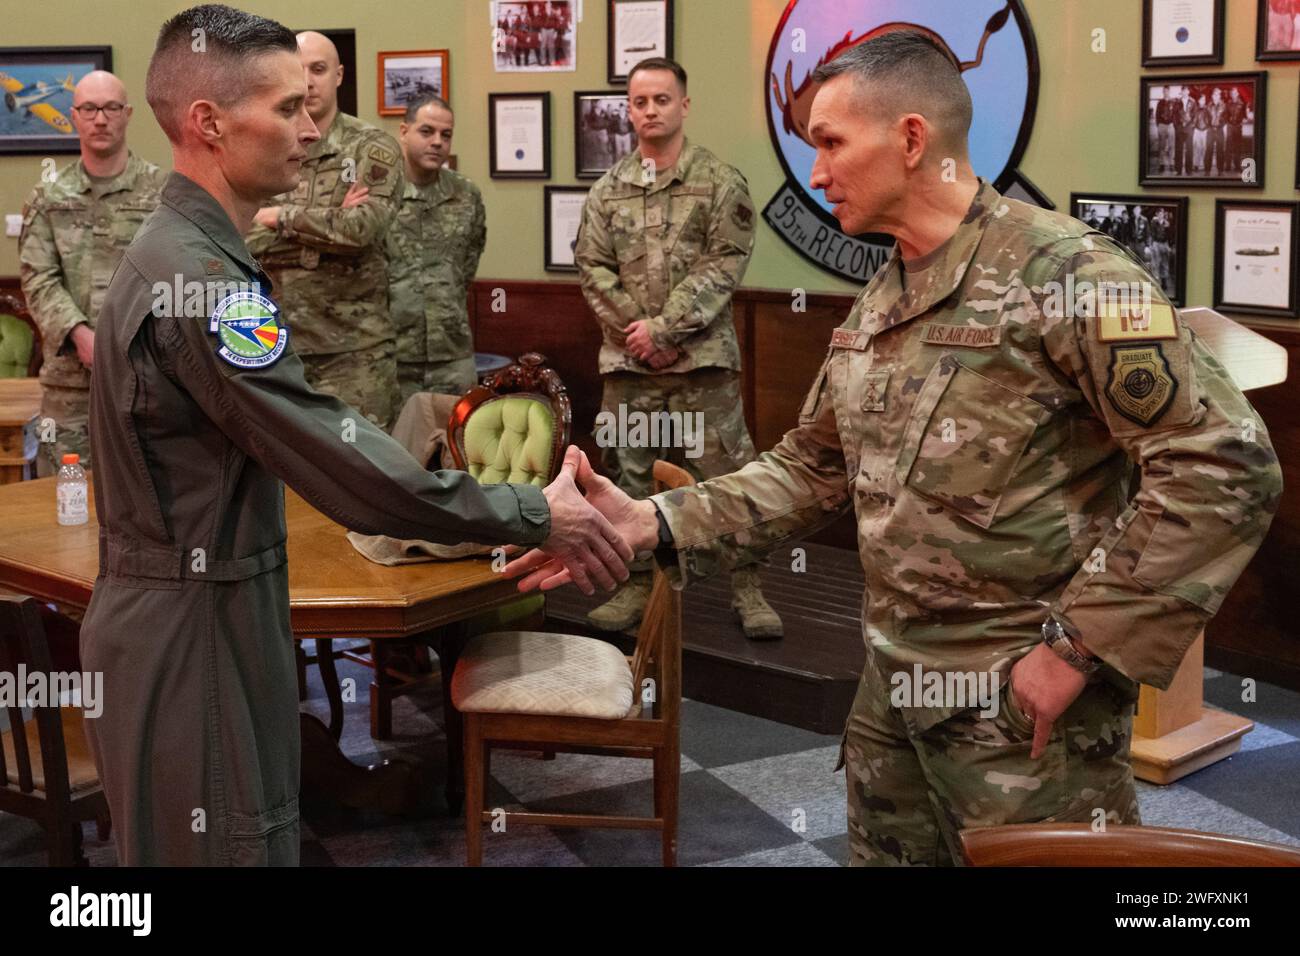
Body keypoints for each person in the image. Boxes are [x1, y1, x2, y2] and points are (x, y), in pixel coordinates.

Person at [509, 31, 1283, 866]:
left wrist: (1078, 647)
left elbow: (1224, 463)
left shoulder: (1070, 274)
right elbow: (811, 468)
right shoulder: (883, 298)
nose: (816, 173)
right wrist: (650, 519)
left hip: (1020, 712)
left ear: (912, 140)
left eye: (832, 144)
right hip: (890, 697)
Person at [81, 2, 632, 867]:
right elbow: (337, 457)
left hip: (208, 610)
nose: (310, 130)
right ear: (209, 123)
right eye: (287, 109)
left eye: (311, 105)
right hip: (192, 632)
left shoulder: (192, 253)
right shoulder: (201, 279)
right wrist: (532, 512)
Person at [573, 57, 783, 640]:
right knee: (628, 475)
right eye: (639, 102)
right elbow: (591, 266)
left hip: (702, 363)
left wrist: (663, 331)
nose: (649, 111)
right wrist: (637, 335)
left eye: (661, 100)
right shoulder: (607, 190)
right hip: (629, 366)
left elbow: (726, 262)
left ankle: (748, 587)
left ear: (683, 105)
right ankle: (637, 582)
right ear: (628, 110)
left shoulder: (720, 182)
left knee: (728, 474)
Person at [245, 31, 404, 431]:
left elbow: (362, 229)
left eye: (318, 69)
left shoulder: (372, 147)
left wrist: (279, 216)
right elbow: (240, 235)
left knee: (365, 480)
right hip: (275, 350)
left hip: (354, 353)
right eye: (298, 70)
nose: (309, 80)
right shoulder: (264, 148)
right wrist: (326, 222)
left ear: (339, 75)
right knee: (283, 483)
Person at [18, 71, 164, 476]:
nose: (100, 119)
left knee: (151, 504)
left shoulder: (162, 192)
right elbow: (38, 278)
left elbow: (176, 275)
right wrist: (81, 336)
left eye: (111, 108)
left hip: (147, 379)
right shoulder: (48, 196)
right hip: (69, 390)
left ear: (127, 114)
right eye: (89, 109)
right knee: (64, 503)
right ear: (75, 116)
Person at [385, 94, 485, 402]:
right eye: (426, 131)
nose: (437, 142)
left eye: (446, 134)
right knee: (390, 448)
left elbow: (467, 264)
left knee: (459, 445)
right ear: (404, 132)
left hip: (451, 353)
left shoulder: (465, 195)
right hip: (391, 352)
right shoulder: (380, 193)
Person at [1223, 87, 1247, 175]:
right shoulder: (1228, 103)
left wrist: (1242, 121)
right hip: (1230, 126)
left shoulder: (1242, 103)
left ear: (1237, 93)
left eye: (1234, 93)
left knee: (1237, 147)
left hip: (1238, 126)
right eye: (1231, 93)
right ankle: (1228, 166)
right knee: (1228, 146)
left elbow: (1245, 116)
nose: (1233, 94)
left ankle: (1237, 165)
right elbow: (1225, 114)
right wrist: (1226, 122)